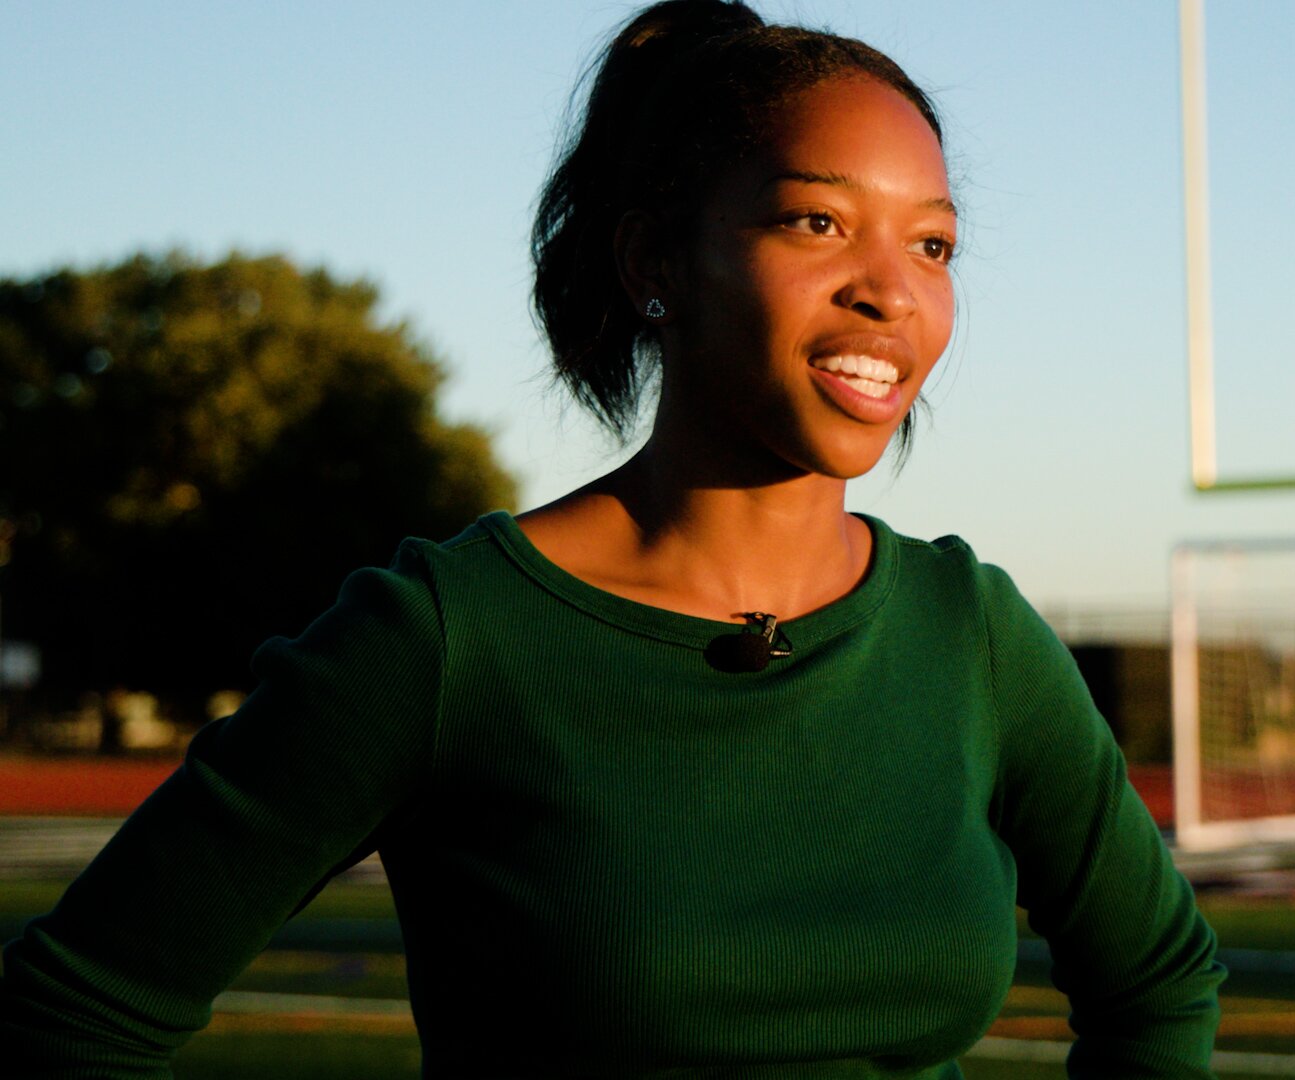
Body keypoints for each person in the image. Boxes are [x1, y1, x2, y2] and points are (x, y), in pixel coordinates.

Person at [0, 2, 1226, 1076]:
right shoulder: (447, 636)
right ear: (655, 261)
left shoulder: (972, 634)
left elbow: (1161, 990)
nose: (891, 290)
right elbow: (73, 1019)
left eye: (933, 244)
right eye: (815, 222)